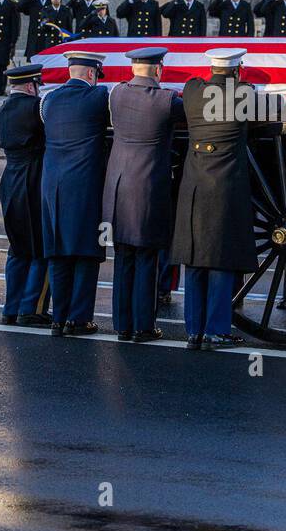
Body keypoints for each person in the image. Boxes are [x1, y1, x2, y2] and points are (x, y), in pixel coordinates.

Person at [170, 48, 269, 350]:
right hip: (225, 189)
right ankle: (215, 330)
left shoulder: (192, 91)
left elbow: (191, 86)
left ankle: (193, 331)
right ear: (238, 70)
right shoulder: (243, 95)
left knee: (196, 258)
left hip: (194, 186)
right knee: (220, 261)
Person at [103, 46, 186, 343]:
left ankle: (122, 325)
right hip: (147, 189)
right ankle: (143, 327)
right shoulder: (167, 101)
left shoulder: (117, 94)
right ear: (158, 69)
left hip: (118, 187)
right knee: (147, 259)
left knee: (124, 256)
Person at [40, 51, 110, 336]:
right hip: (84, 188)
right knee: (86, 252)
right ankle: (78, 319)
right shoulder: (97, 97)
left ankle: (59, 317)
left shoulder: (50, 101)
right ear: (92, 73)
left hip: (53, 186)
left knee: (58, 251)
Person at [0, 63, 51, 327]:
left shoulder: (3, 108)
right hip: (33, 178)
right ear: (31, 85)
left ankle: (11, 307)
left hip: (10, 180)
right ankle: (31, 308)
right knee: (40, 246)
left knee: (17, 247)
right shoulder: (36, 108)